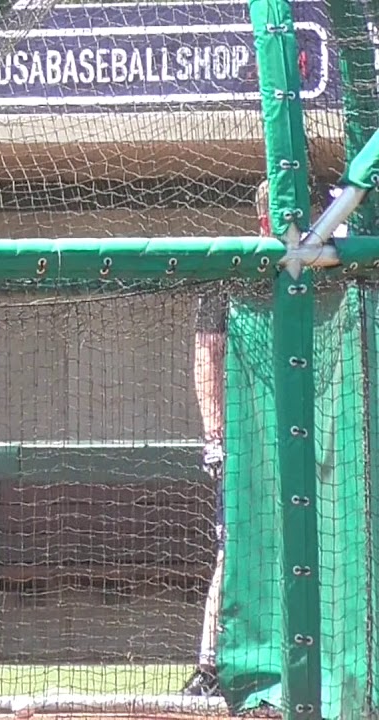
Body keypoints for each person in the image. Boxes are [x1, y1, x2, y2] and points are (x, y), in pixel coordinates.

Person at [181, 179, 270, 697]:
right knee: (234, 550)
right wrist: (214, 436)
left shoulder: (329, 267)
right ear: (263, 217)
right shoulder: (231, 274)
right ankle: (211, 666)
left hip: (316, 439)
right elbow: (206, 357)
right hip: (246, 442)